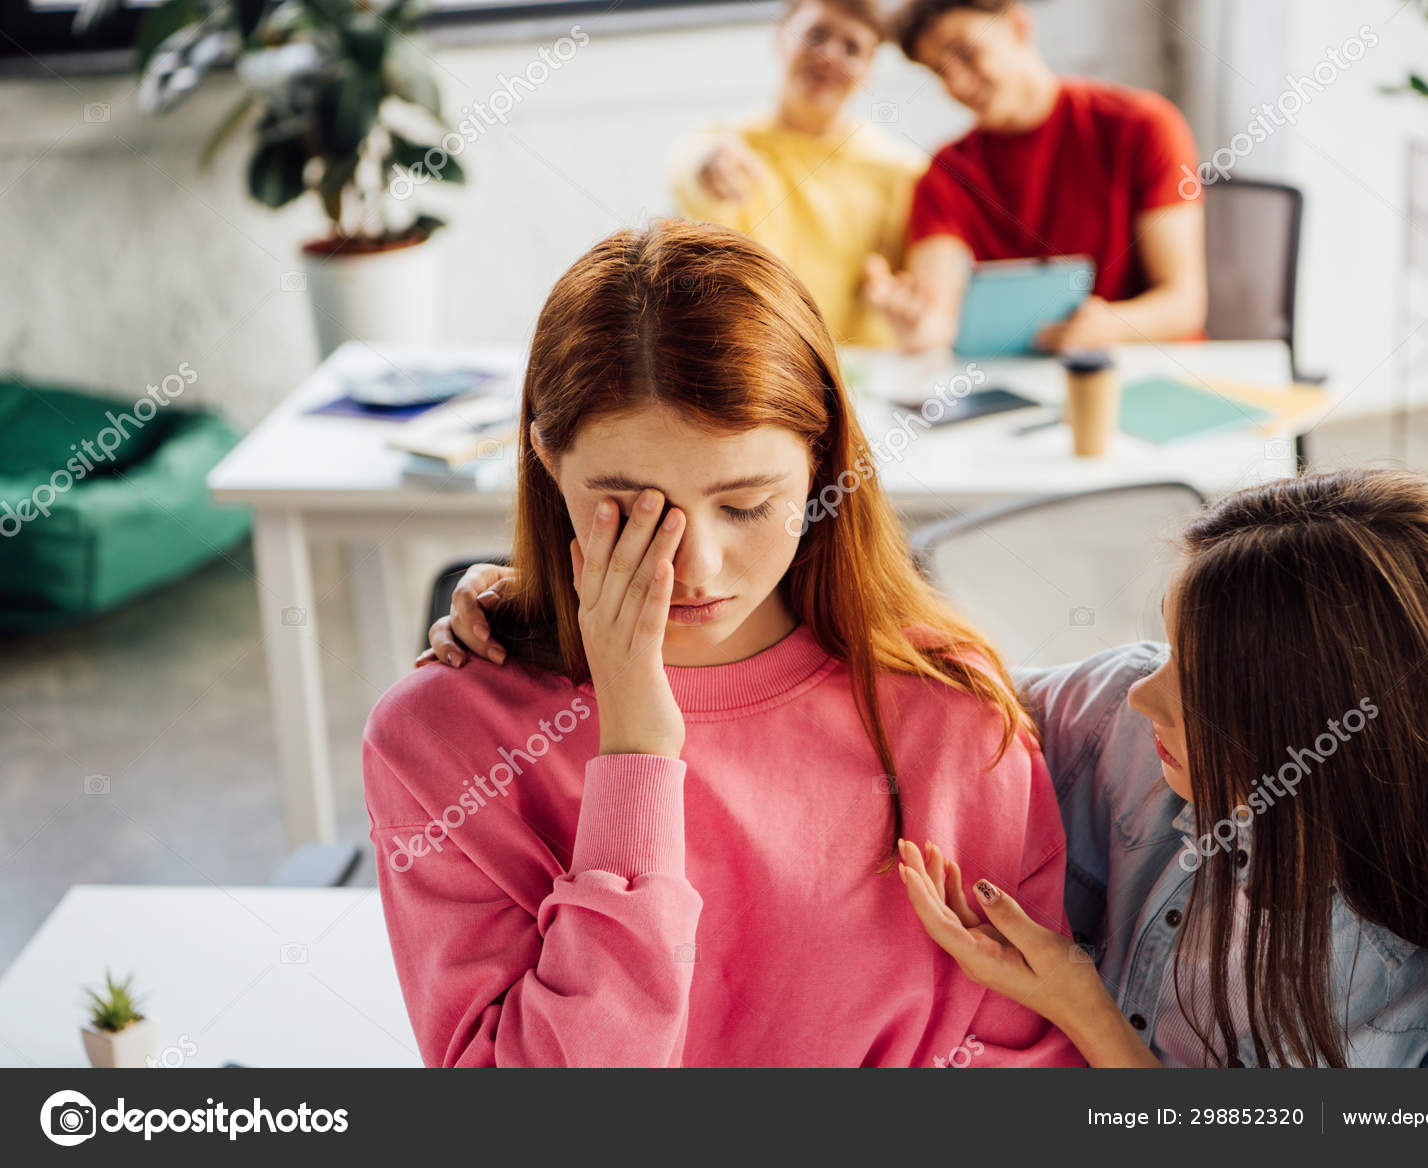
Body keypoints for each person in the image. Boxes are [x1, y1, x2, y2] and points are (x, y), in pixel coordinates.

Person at [363, 219, 1084, 1067]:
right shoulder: (439, 741)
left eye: (745, 504)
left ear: (822, 462)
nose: (695, 566)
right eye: (631, 506)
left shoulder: (953, 712)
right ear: (545, 460)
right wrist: (634, 755)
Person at [898, 469, 1428, 1067]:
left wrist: (1082, 1007)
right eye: (1171, 646)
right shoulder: (1123, 716)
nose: (1148, 693)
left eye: (1206, 691)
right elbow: (927, 694)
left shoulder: (1419, 1014)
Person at [862, 0, 1207, 354]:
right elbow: (938, 304)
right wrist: (921, 327)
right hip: (1036, 384)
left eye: (964, 52)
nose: (958, 83)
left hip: (1152, 370)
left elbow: (1184, 303)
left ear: (1018, 26)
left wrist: (1114, 326)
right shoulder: (946, 173)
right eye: (939, 70)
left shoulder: (1144, 126)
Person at [667, 0, 926, 348]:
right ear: (780, 38)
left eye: (852, 47)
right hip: (759, 366)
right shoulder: (724, 147)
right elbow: (691, 176)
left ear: (869, 70)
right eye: (817, 35)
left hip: (864, 372)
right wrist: (705, 166)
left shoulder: (900, 171)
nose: (830, 56)